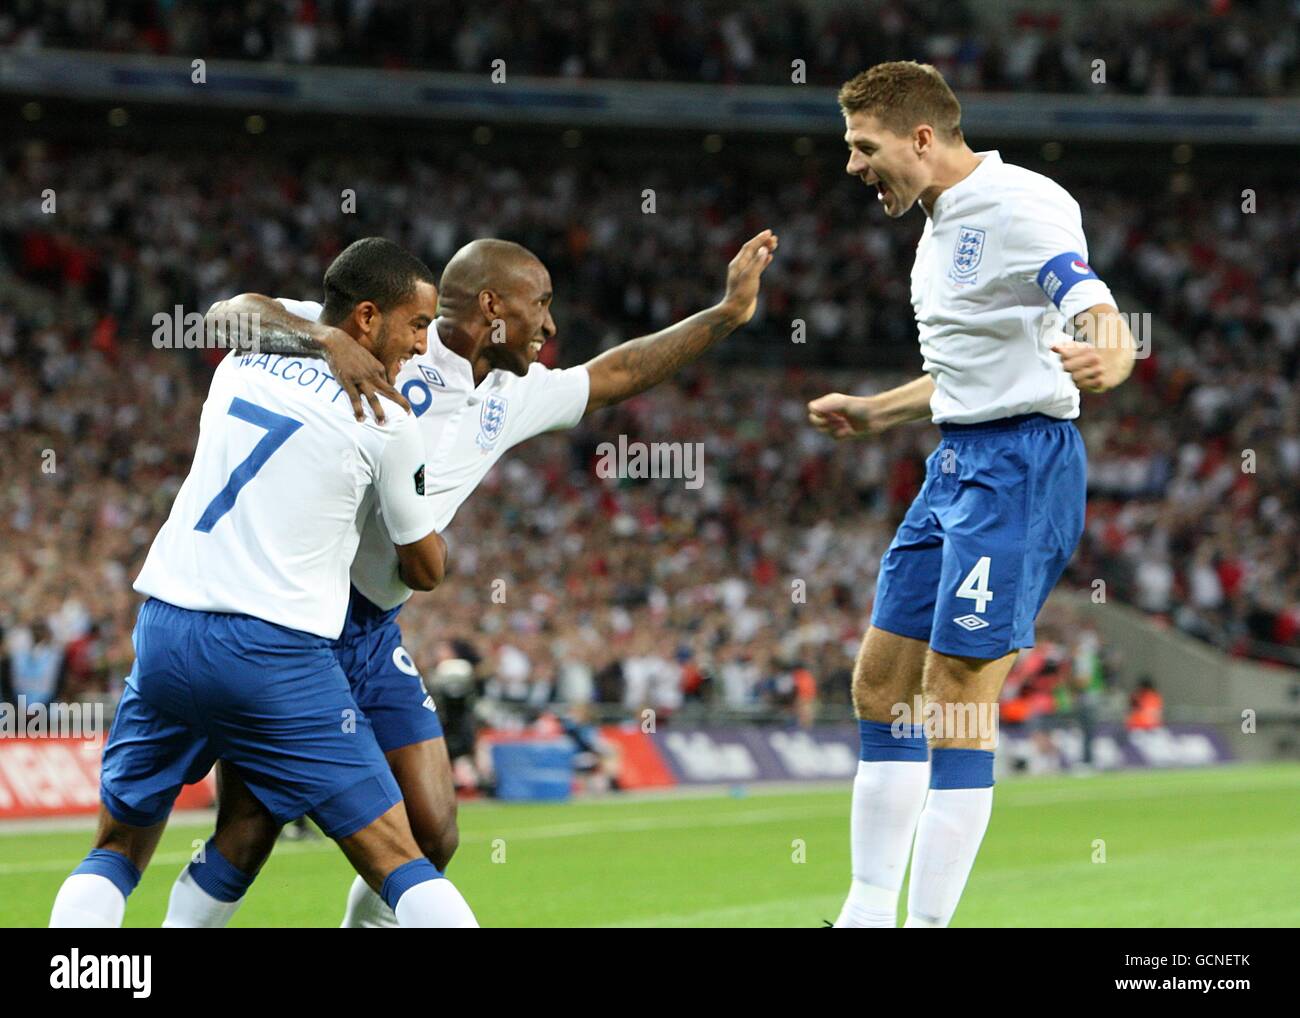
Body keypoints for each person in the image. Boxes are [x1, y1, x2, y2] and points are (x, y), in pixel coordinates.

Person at [164, 230, 778, 927]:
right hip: (294, 618)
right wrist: (325, 342)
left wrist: (725, 314)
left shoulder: (513, 392)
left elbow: (616, 375)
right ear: (492, 306)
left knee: (435, 830)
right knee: (247, 834)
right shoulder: (384, 343)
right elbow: (226, 316)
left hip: (370, 630)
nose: (550, 324)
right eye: (539, 304)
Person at [49, 237, 476, 928]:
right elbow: (423, 569)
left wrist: (321, 342)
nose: (423, 345)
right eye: (418, 325)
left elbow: (229, 312)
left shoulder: (253, 349)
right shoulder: (390, 419)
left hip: (166, 629)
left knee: (116, 850)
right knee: (402, 857)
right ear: (366, 318)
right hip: (272, 652)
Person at [807, 62, 1136, 928]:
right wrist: (880, 410)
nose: (852, 167)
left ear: (922, 138)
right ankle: (867, 913)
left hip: (1023, 465)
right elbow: (972, 364)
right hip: (956, 461)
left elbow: (1092, 303)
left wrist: (1115, 353)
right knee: (881, 685)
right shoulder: (939, 223)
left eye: (862, 147)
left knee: (956, 688)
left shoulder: (1020, 205)